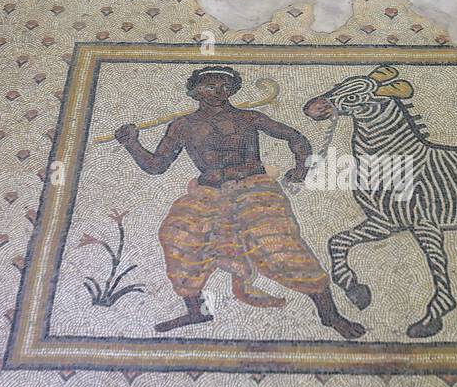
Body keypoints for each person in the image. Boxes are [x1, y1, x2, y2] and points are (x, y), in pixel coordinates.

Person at [115, 66, 364, 339]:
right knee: (179, 236)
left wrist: (299, 170)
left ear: (234, 89)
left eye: (224, 86)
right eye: (209, 86)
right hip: (208, 192)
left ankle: (330, 315)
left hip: (254, 189)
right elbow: (156, 165)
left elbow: (296, 138)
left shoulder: (248, 117)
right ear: (195, 90)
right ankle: (195, 310)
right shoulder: (183, 126)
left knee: (280, 245)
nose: (217, 92)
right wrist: (132, 144)